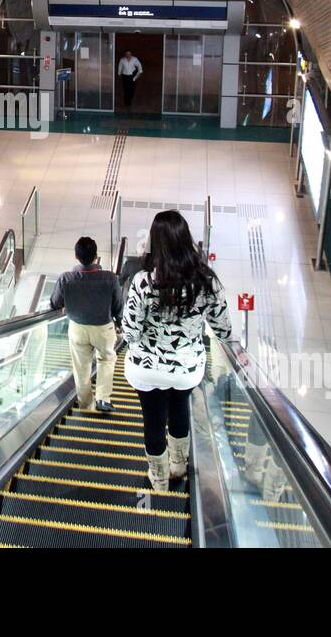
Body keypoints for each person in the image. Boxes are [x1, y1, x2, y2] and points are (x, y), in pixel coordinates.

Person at [122, 210, 230, 491]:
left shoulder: (143, 281)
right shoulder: (206, 281)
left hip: (146, 369)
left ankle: (158, 479)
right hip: (186, 370)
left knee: (152, 419)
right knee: (180, 407)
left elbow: (131, 332)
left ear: (154, 243)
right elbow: (223, 330)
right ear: (186, 240)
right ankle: (178, 466)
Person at [50, 236, 124, 414]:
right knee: (106, 360)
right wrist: (119, 322)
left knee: (81, 367)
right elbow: (118, 304)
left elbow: (54, 303)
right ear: (96, 256)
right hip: (103, 328)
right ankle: (103, 399)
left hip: (77, 327)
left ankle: (85, 405)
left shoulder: (66, 278)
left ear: (76, 256)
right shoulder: (110, 278)